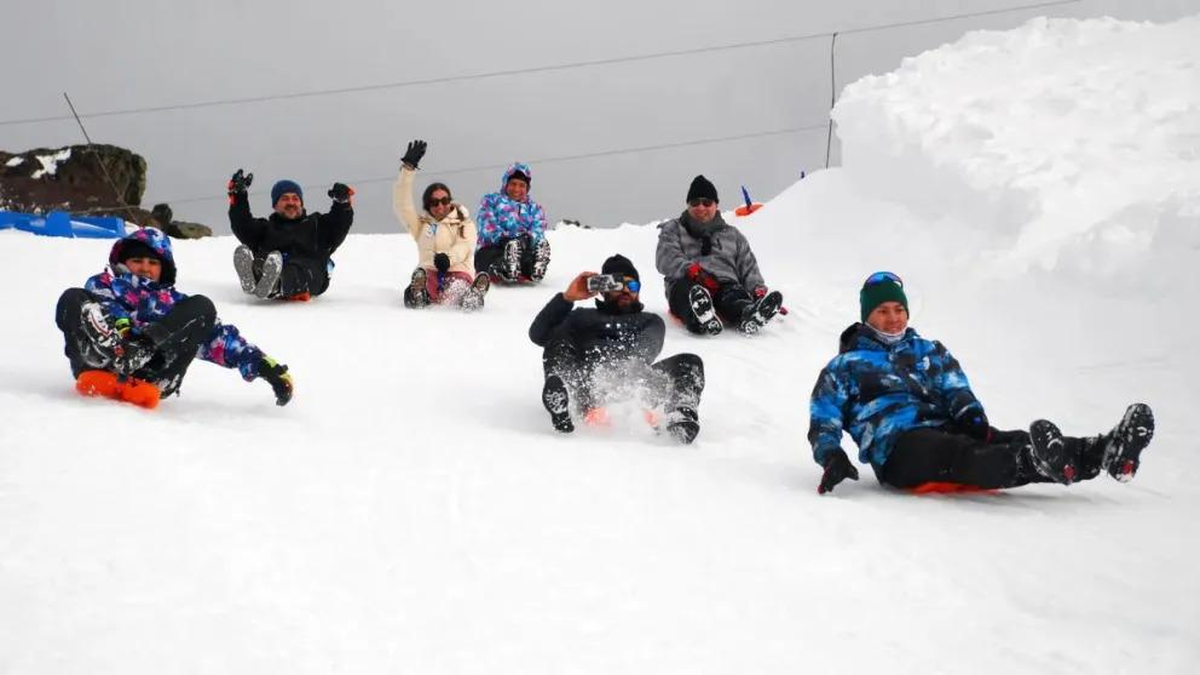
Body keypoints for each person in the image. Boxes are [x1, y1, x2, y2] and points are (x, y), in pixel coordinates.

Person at [808, 271, 1155, 495]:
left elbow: (953, 385)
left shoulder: (928, 350)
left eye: (898, 309)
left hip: (945, 427)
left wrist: (970, 413)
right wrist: (831, 454)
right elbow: (824, 416)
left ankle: (1105, 453)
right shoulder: (846, 365)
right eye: (882, 310)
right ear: (866, 316)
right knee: (960, 453)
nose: (892, 317)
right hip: (900, 449)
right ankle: (1032, 462)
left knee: (1008, 438)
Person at [55, 227, 294, 409]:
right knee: (73, 298)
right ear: (123, 263)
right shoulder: (104, 283)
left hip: (154, 371)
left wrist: (265, 367)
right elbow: (103, 303)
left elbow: (219, 340)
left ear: (164, 268)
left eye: (152, 262)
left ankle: (141, 350)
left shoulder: (174, 302)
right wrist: (123, 331)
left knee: (202, 308)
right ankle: (113, 348)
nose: (145, 267)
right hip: (98, 361)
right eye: (137, 260)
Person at [528, 254, 705, 443]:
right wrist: (567, 298)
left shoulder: (650, 320)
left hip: (637, 387)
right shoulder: (580, 317)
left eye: (633, 286)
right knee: (559, 339)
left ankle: (680, 417)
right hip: (588, 388)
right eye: (618, 284)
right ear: (603, 288)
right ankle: (560, 393)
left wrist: (618, 369)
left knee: (690, 362)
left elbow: (645, 349)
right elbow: (539, 335)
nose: (627, 290)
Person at [655, 175, 783, 336]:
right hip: (688, 284)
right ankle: (700, 318)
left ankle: (749, 314)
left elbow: (748, 268)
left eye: (707, 203)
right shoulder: (674, 229)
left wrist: (758, 292)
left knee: (734, 294)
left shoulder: (733, 235)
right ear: (688, 206)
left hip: (725, 286)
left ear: (716, 205)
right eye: (695, 203)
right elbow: (665, 258)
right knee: (688, 292)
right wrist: (693, 271)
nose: (701, 207)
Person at [392, 140, 490, 310]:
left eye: (444, 201)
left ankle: (471, 296)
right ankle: (418, 294)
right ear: (428, 205)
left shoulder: (464, 223)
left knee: (457, 287)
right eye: (434, 202)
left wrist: (448, 258)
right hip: (429, 272)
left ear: (450, 202)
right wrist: (408, 169)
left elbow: (465, 246)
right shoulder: (421, 226)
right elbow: (402, 205)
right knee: (419, 283)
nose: (440, 206)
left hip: (457, 271)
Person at [228, 170, 355, 301]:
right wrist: (239, 196)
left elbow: (340, 224)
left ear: (301, 203)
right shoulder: (265, 229)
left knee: (297, 269)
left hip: (309, 277)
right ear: (275, 205)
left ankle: (275, 283)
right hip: (270, 268)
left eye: (295, 198)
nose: (291, 202)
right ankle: (254, 277)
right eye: (284, 198)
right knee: (264, 261)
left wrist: (342, 203)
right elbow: (241, 224)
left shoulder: (317, 225)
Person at [475, 162, 550, 283]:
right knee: (493, 257)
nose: (516, 189)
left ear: (527, 188)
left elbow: (539, 228)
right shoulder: (491, 200)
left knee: (525, 256)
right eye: (513, 184)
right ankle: (506, 266)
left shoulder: (534, 208)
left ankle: (534, 268)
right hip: (493, 247)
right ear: (506, 184)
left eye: (522, 185)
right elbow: (486, 223)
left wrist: (526, 240)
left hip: (521, 250)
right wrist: (505, 240)